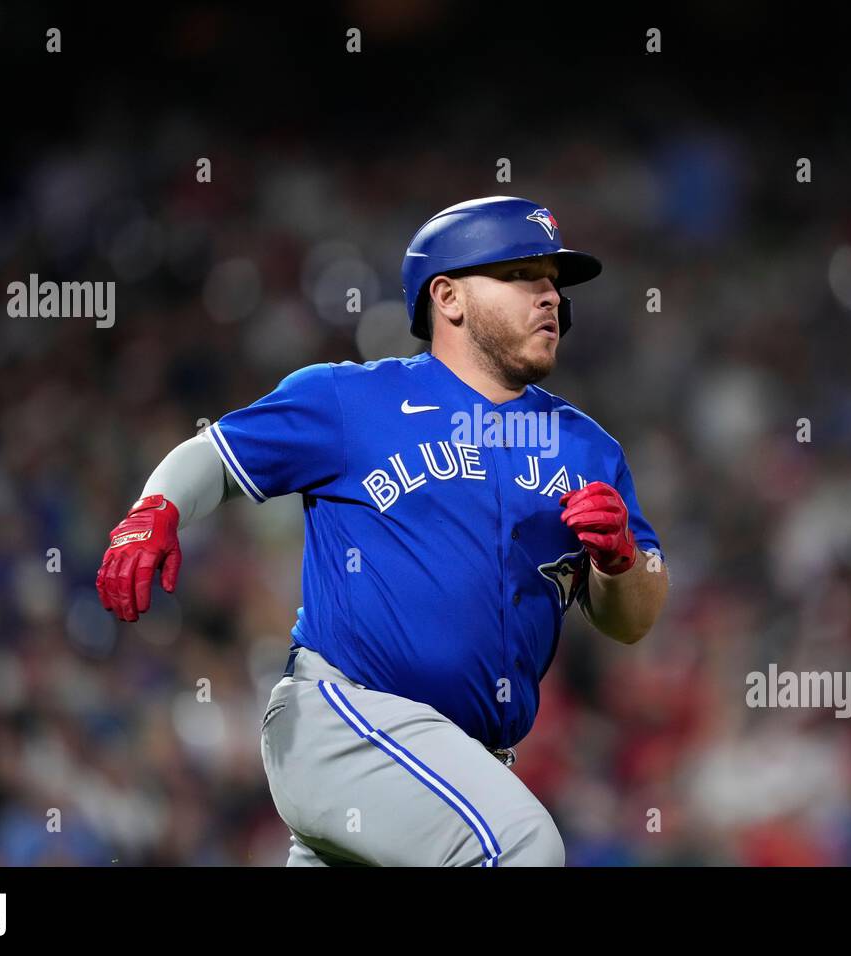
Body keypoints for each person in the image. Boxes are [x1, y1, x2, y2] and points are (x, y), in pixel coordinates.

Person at [95, 196, 668, 866]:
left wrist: (620, 563)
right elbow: (213, 458)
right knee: (522, 845)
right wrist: (155, 510)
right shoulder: (355, 401)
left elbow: (633, 620)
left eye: (554, 283)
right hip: (348, 721)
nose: (550, 298)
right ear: (448, 297)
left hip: (455, 767)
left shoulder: (585, 447)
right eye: (522, 276)